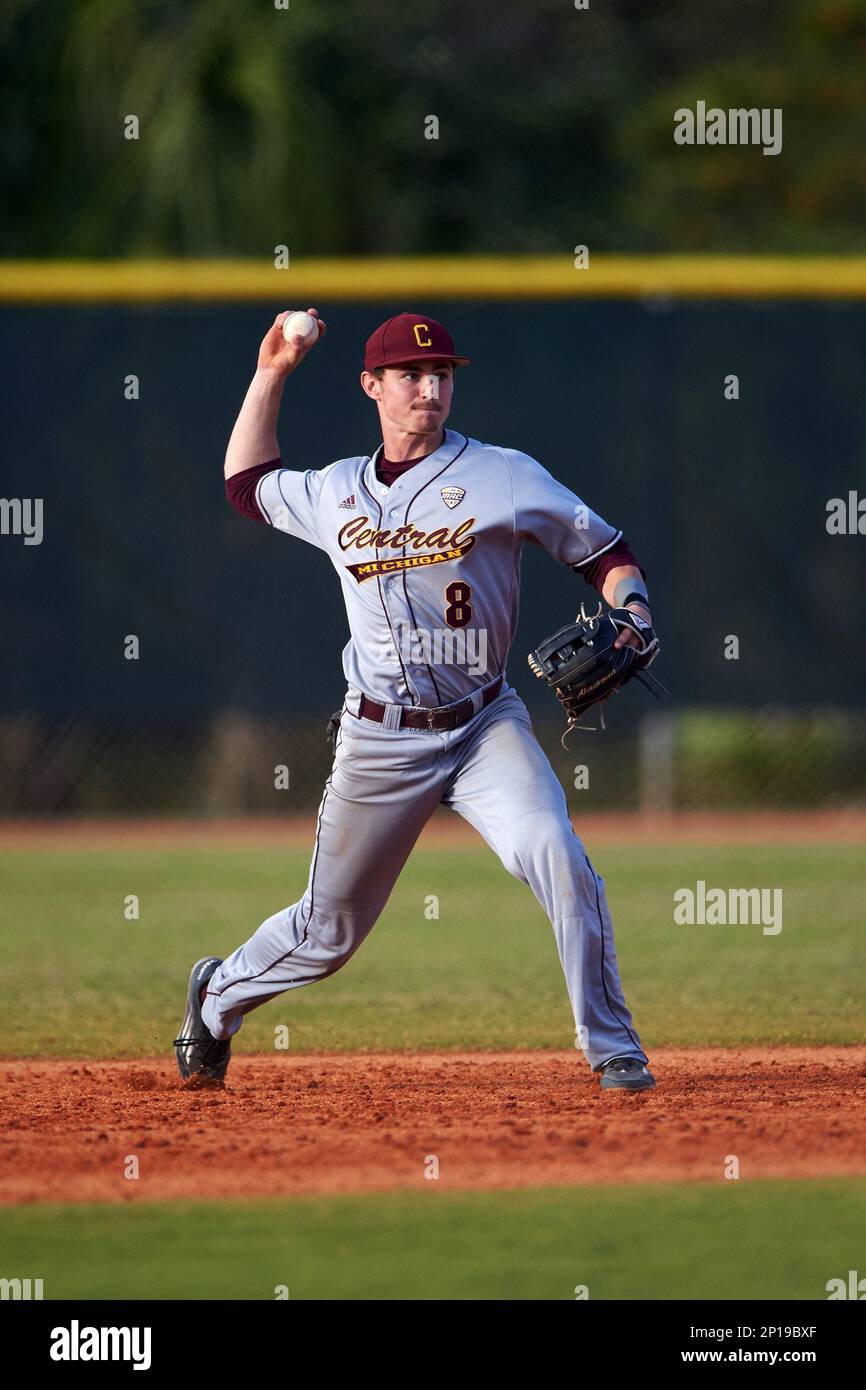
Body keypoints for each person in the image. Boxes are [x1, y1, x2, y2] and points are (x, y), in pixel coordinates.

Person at [173, 309, 657, 1093]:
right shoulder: (334, 492)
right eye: (410, 376)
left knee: (557, 854)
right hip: (380, 738)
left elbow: (605, 552)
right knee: (327, 936)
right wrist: (272, 372)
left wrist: (633, 611)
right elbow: (246, 485)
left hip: (482, 727)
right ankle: (216, 996)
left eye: (441, 376)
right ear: (373, 386)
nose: (429, 388)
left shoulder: (504, 473)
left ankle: (613, 1048)